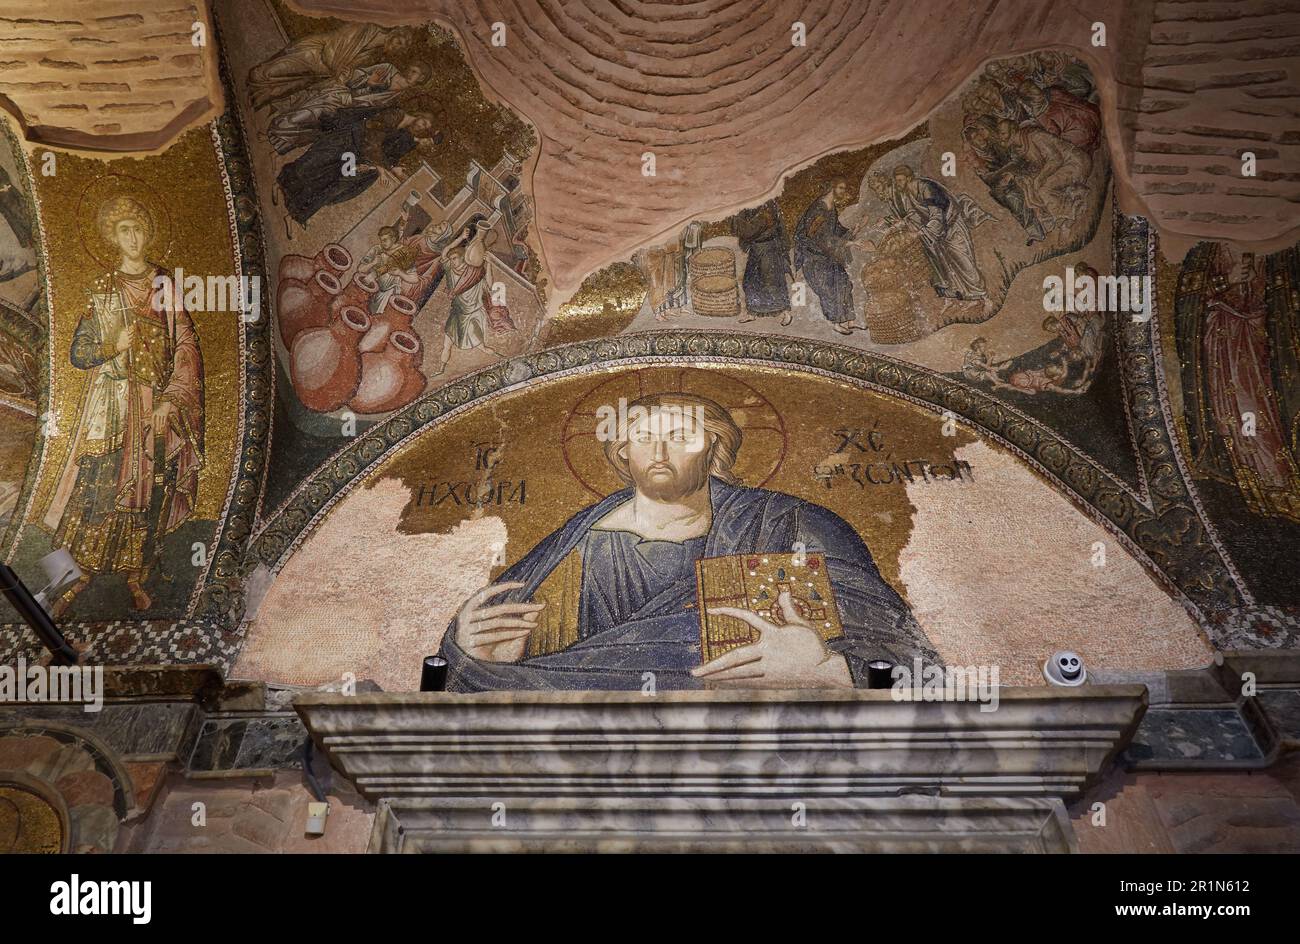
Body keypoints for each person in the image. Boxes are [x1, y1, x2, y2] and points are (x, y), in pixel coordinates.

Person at [438, 392, 937, 691]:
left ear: (714, 448)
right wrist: (467, 656)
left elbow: (921, 673)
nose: (658, 450)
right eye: (642, 435)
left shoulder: (788, 527)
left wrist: (830, 672)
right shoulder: (571, 549)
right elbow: (442, 685)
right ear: (622, 452)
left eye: (681, 435)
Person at [41, 196, 204, 615]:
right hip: (109, 404)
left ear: (147, 233)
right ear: (112, 236)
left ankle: (137, 574)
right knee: (99, 482)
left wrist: (171, 398)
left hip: (152, 403)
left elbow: (184, 343)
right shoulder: (102, 288)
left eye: (138, 229)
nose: (132, 238)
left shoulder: (163, 286)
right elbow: (79, 353)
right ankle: (76, 576)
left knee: (146, 488)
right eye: (124, 230)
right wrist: (112, 346)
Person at [887, 165, 991, 304]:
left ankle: (985, 298)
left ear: (909, 178)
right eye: (896, 181)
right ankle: (970, 297)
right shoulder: (907, 193)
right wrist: (901, 224)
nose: (898, 184)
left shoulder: (926, 188)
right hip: (940, 232)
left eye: (900, 180)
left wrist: (921, 232)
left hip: (952, 226)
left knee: (964, 262)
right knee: (952, 264)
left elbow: (937, 215)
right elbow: (913, 215)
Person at [794, 181, 859, 334]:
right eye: (841, 187)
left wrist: (852, 230)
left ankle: (850, 321)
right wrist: (848, 243)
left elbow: (835, 228)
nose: (843, 191)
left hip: (828, 254)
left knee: (844, 282)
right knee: (828, 289)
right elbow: (819, 237)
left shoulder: (831, 208)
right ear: (832, 188)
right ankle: (835, 323)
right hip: (814, 256)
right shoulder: (818, 209)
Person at [731, 199, 792, 325]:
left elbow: (749, 230)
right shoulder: (751, 205)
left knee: (772, 282)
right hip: (756, 249)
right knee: (750, 281)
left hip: (768, 248)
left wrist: (736, 215)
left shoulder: (767, 207)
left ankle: (784, 312)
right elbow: (741, 229)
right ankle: (753, 312)